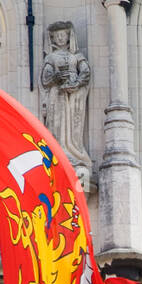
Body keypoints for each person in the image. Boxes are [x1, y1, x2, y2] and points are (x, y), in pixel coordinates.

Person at [40, 22, 92, 187]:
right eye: (58, 35)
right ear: (53, 38)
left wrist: (75, 83)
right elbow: (45, 78)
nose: (61, 38)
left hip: (74, 95)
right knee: (57, 123)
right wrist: (56, 77)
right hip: (58, 95)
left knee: (73, 126)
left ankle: (73, 152)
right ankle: (59, 151)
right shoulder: (51, 58)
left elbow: (85, 72)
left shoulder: (76, 57)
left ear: (69, 37)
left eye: (64, 35)